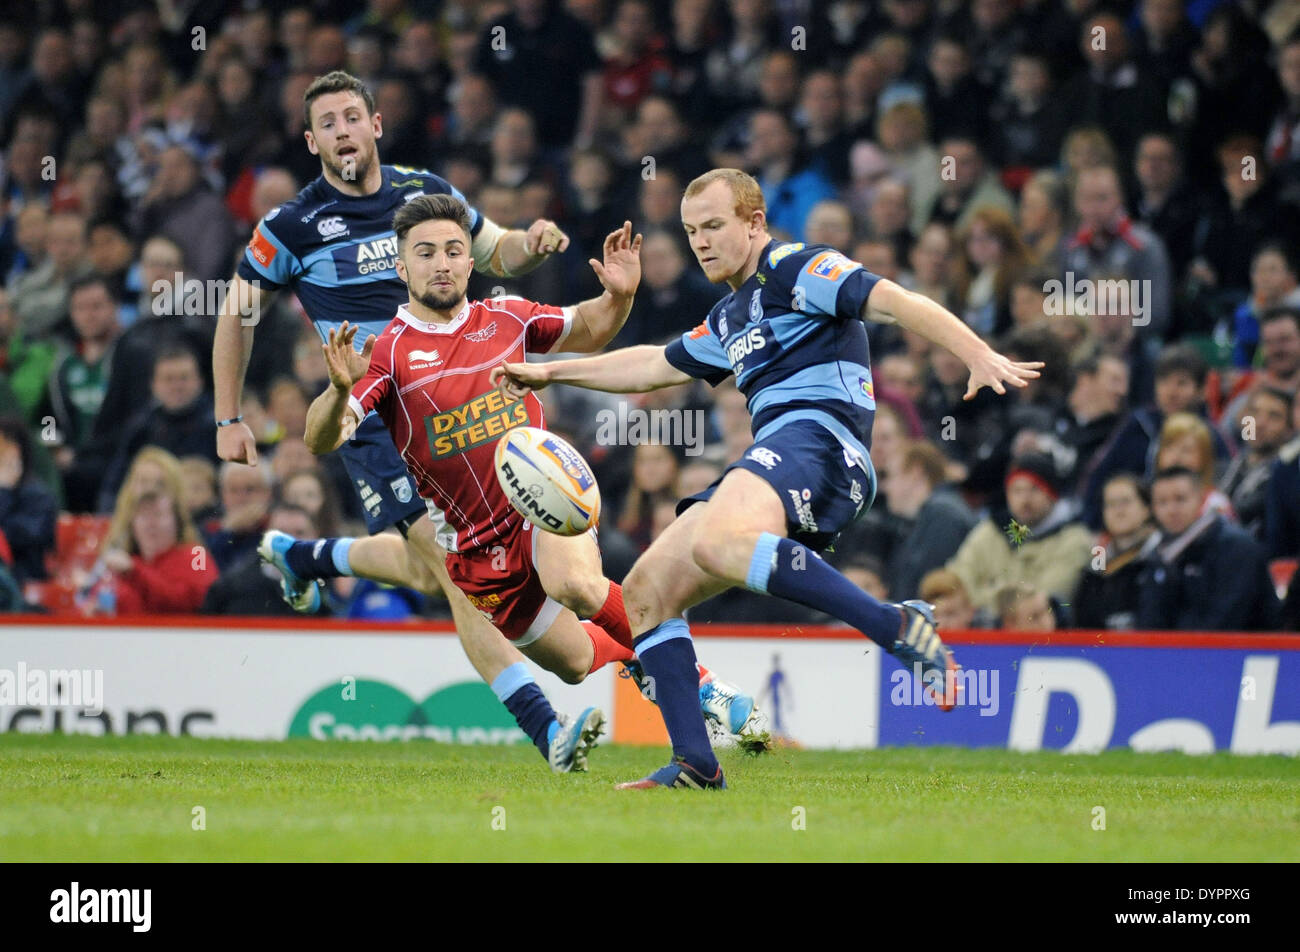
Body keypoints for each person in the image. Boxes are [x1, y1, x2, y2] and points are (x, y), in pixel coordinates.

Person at [494, 168, 1042, 789]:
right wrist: (552, 372)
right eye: (690, 230)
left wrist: (976, 353)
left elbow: (896, 300)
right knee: (646, 590)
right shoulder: (730, 316)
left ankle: (895, 627)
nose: (700, 242)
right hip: (779, 458)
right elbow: (653, 364)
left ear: (754, 223)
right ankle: (695, 764)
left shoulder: (794, 267)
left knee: (715, 542)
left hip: (825, 446)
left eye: (713, 226)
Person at [210, 71, 615, 773]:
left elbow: (496, 251)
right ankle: (545, 726)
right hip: (374, 416)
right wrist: (228, 416)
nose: (341, 131)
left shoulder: (423, 192)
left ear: (374, 123)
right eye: (326, 123)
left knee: (434, 574)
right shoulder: (290, 226)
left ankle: (303, 555)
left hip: (460, 403)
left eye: (350, 116)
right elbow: (236, 315)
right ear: (312, 142)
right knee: (452, 572)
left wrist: (537, 241)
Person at [290, 195, 760, 771]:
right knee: (577, 661)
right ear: (401, 266)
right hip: (475, 552)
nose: (442, 262)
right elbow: (322, 439)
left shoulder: (507, 316)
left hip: (543, 503)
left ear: (469, 262)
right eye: (426, 252)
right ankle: (642, 663)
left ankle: (700, 685)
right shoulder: (384, 355)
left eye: (454, 251)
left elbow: (589, 328)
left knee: (581, 587)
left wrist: (621, 295)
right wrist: (337, 389)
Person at [1136, 467, 1281, 631]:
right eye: (1162, 502)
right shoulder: (1157, 554)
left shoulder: (1236, 548)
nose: (1171, 510)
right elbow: (1149, 623)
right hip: (1177, 652)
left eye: (1180, 499)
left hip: (1243, 652)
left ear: (1202, 499)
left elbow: (1227, 620)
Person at [100, 488, 218, 614]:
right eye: (143, 516)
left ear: (177, 522)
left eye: (158, 514)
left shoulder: (196, 556)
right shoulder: (126, 563)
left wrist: (134, 572)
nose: (151, 524)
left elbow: (192, 603)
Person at [1073, 473, 1158, 630]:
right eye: (1111, 504)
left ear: (1146, 509)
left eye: (1125, 502)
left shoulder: (1162, 556)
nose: (1118, 511)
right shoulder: (1095, 566)